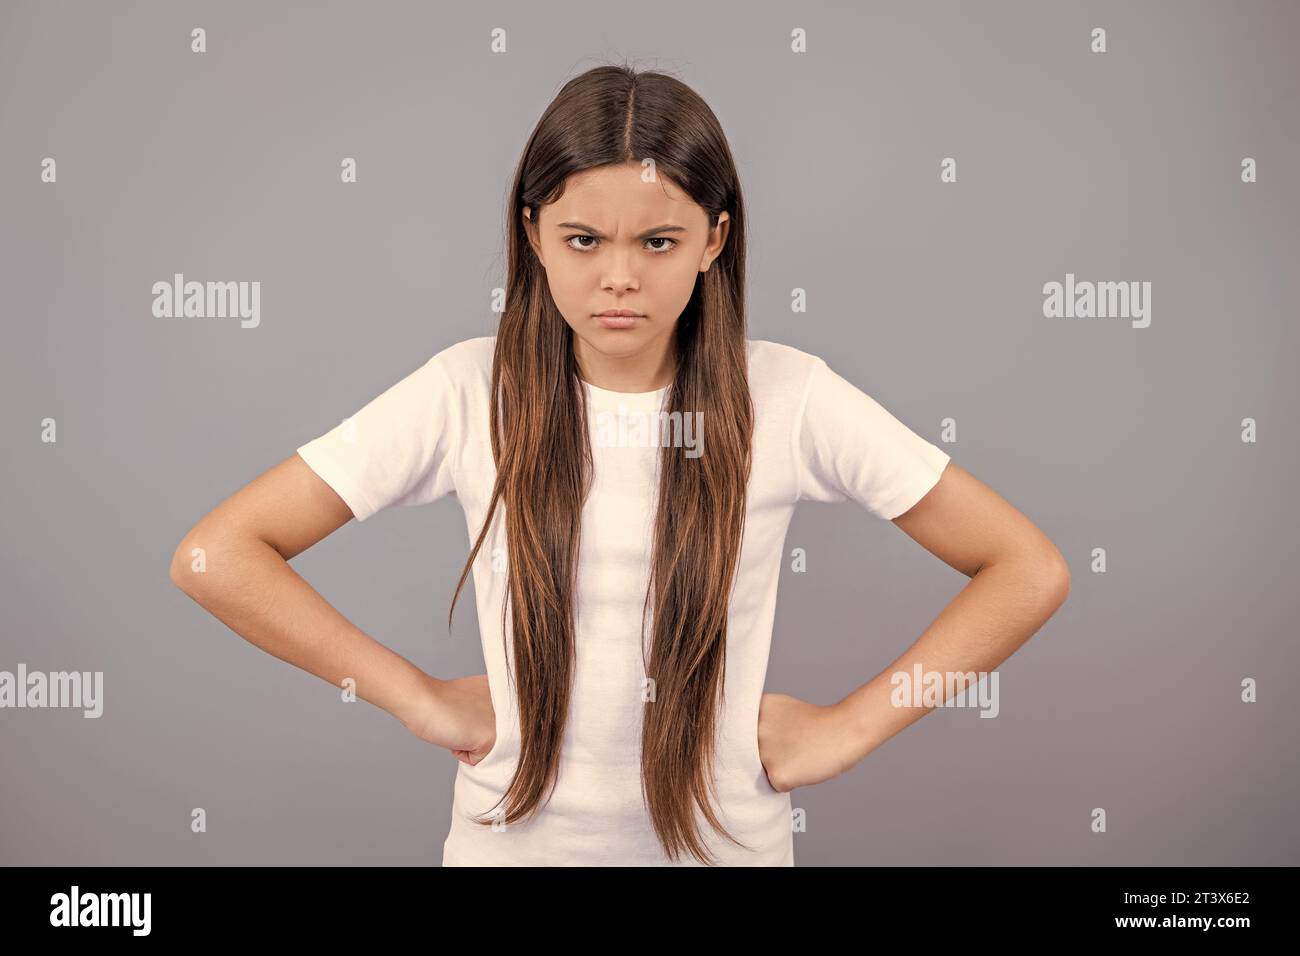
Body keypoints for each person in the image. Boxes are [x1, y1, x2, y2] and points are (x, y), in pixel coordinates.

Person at [170, 64, 1071, 867]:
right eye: (583, 239)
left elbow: (1027, 568)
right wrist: (415, 698)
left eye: (659, 242)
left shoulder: (788, 397)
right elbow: (217, 553)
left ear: (715, 241)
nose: (619, 279)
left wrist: (847, 732)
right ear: (532, 234)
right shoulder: (465, 390)